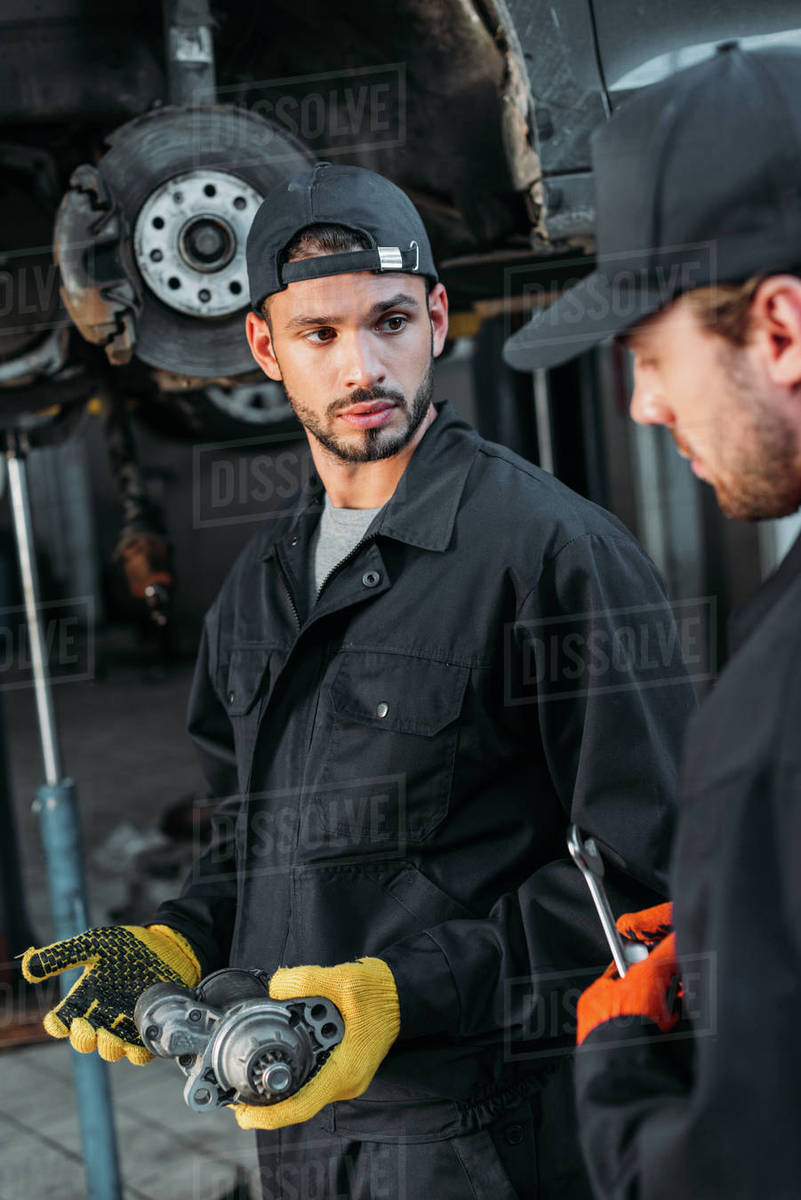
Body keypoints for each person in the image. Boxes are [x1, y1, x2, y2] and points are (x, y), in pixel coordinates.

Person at [23, 162, 696, 1199]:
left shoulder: (550, 552)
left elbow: (649, 890)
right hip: (295, 1129)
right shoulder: (263, 582)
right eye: (319, 335)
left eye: (388, 322)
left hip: (482, 1137)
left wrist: (394, 996)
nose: (361, 366)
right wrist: (178, 939)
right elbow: (247, 838)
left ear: (436, 317)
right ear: (264, 349)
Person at [504, 40, 801, 1200]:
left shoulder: (774, 709)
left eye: (651, 352)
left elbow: (734, 1175)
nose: (639, 402)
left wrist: (619, 1062)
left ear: (780, 329)